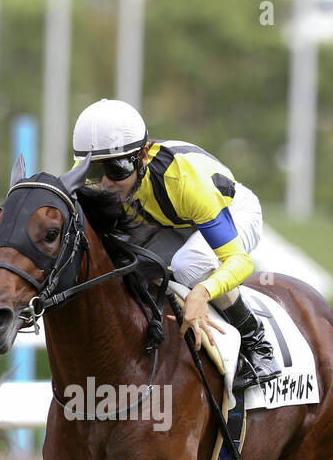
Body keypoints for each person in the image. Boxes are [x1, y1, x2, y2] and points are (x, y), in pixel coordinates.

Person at [71, 98, 280, 389]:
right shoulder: (95, 178)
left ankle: (257, 343)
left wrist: (202, 294)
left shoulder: (183, 179)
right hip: (171, 222)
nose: (106, 182)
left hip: (233, 210)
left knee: (189, 265)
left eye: (117, 169)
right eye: (94, 172)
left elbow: (240, 262)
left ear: (142, 155)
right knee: (129, 264)